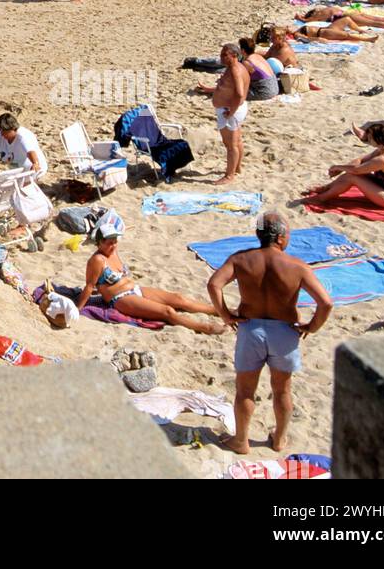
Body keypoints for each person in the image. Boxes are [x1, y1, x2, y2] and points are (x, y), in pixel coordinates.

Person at [207, 211, 334, 456]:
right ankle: (279, 439)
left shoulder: (241, 259)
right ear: (280, 238)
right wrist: (312, 326)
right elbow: (326, 303)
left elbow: (214, 284)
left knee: (245, 391)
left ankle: (241, 441)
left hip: (251, 329)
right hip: (284, 333)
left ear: (259, 234)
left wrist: (226, 315)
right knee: (282, 390)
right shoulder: (296, 266)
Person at [76, 213, 224, 333]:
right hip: (120, 299)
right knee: (167, 311)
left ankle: (220, 311)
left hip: (136, 290)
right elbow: (89, 286)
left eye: (115, 241)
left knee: (179, 299)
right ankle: (204, 328)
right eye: (109, 242)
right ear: (99, 243)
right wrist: (79, 308)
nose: (113, 245)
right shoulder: (97, 260)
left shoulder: (113, 252)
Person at [300, 124, 384, 211]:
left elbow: (356, 170)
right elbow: (361, 160)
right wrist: (341, 169)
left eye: (369, 138)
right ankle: (325, 188)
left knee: (352, 177)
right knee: (351, 174)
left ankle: (321, 199)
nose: (368, 140)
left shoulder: (382, 159)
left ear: (376, 139)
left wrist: (337, 167)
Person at [194, 43, 249, 184]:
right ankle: (237, 168)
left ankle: (229, 175)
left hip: (230, 111)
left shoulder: (235, 70)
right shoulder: (236, 68)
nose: (221, 58)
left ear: (234, 55)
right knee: (237, 141)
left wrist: (232, 112)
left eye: (225, 55)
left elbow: (239, 93)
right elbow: (229, 88)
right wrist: (210, 89)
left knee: (231, 145)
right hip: (233, 109)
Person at [0, 112, 47, 177]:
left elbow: (30, 152)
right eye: (1, 132)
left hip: (34, 171)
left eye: (5, 132)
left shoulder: (23, 136)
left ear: (13, 129)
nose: (2, 135)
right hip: (17, 171)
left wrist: (35, 163)